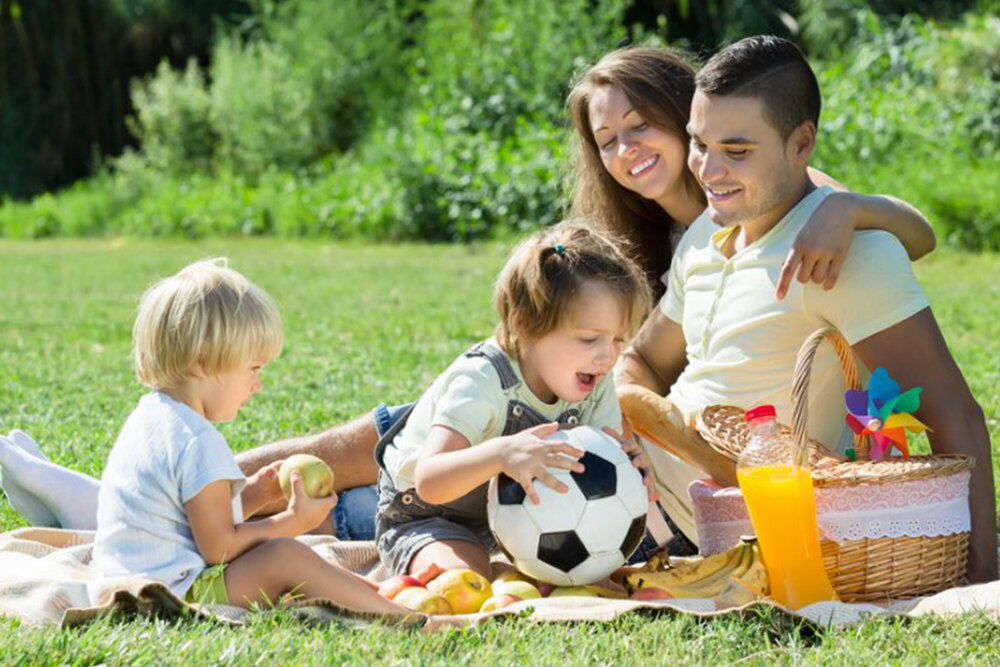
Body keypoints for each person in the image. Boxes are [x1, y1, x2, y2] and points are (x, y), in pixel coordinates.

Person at [1, 43, 941, 553]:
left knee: (415, 473)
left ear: (686, 106)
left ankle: (163, 497)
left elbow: (911, 232)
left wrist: (849, 203)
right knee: (404, 429)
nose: (630, 152)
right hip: (583, 405)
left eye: (642, 127)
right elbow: (625, 346)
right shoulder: (664, 232)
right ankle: (178, 477)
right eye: (607, 139)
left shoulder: (772, 196)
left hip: (630, 435)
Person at [613, 35, 996, 583]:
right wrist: (618, 424)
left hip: (719, 522)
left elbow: (954, 413)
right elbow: (645, 361)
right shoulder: (705, 234)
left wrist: (982, 576)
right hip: (636, 478)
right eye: (700, 144)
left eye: (737, 151)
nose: (708, 171)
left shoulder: (846, 255)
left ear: (802, 143)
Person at [87, 258, 464, 629]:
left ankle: (384, 594)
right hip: (176, 592)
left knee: (294, 555)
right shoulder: (197, 440)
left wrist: (254, 496)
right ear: (203, 363)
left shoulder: (151, 419)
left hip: (127, 578)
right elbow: (218, 548)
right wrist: (290, 521)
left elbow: (193, 519)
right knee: (288, 556)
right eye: (253, 368)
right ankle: (416, 621)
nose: (258, 384)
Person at [374, 222, 653, 578]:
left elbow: (604, 459)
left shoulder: (595, 379)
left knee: (584, 578)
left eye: (618, 340)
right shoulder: (481, 380)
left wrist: (630, 464)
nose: (608, 357)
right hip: (428, 514)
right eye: (589, 339)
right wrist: (503, 454)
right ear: (525, 324)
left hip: (513, 525)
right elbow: (430, 478)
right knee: (466, 582)